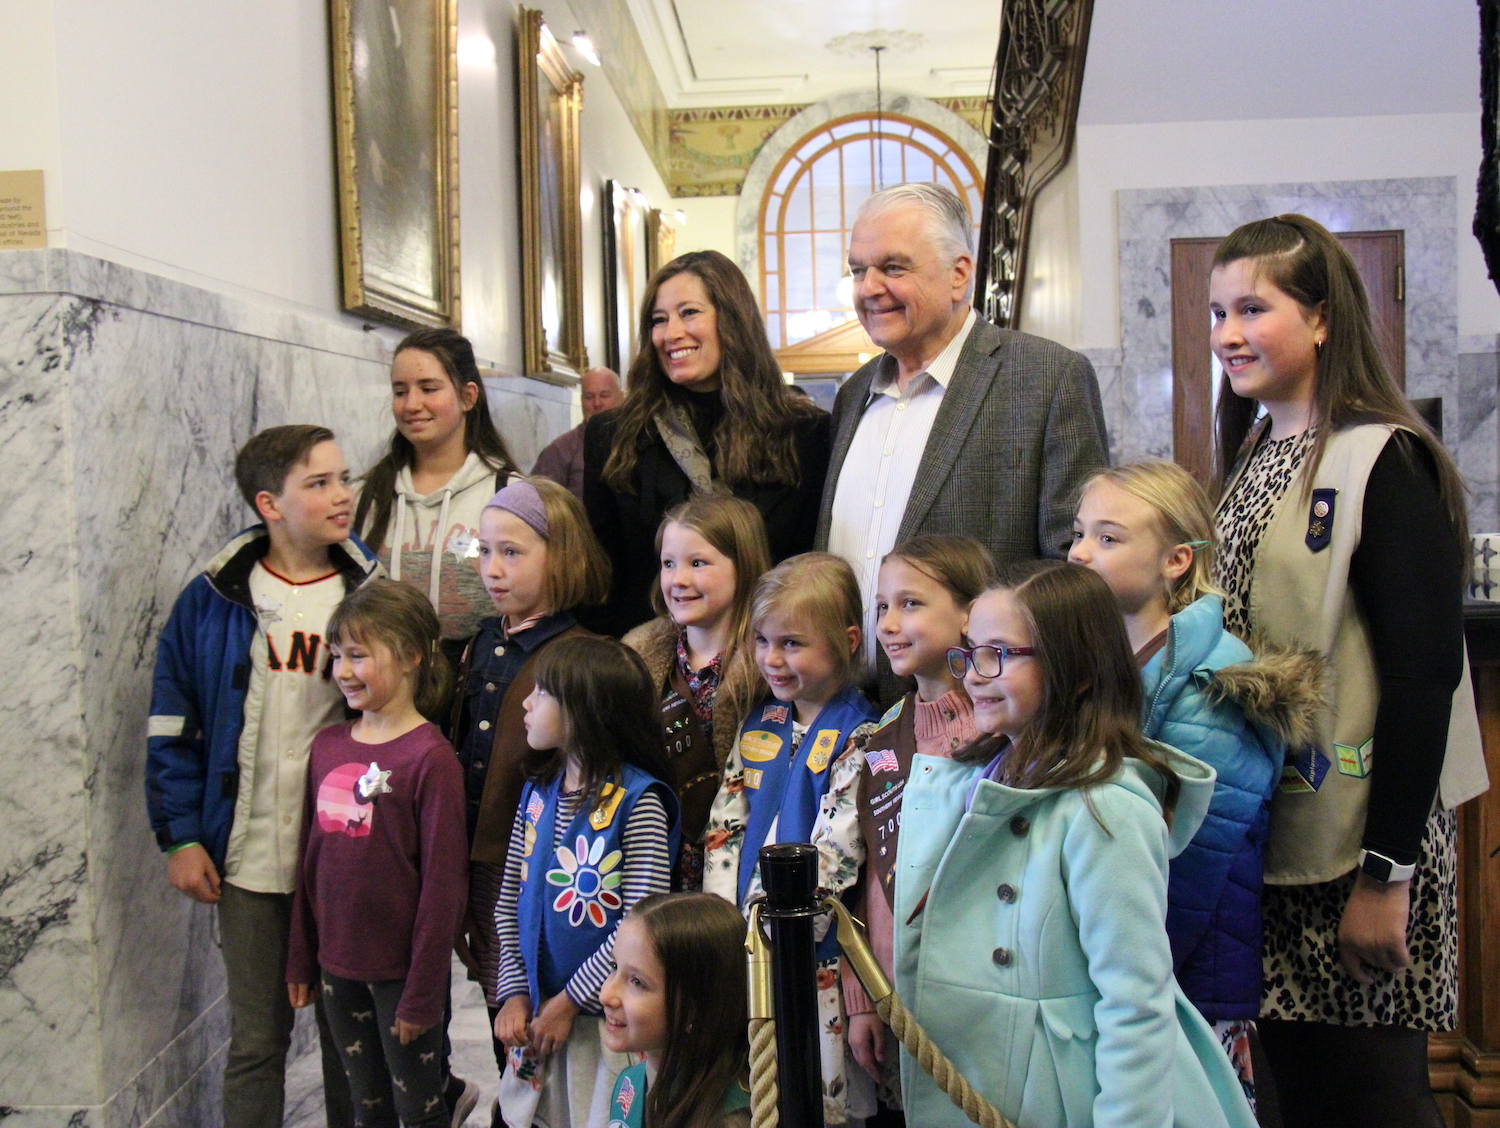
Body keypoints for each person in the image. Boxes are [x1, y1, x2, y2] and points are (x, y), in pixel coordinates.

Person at [1208, 214, 1487, 1128]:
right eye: (1217, 313)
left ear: (1323, 319)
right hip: (1276, 834)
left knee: (1368, 1099)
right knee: (1292, 1094)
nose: (1228, 334)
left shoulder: (1384, 457)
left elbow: (1422, 681)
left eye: (1254, 307)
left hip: (1363, 846)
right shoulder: (1253, 452)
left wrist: (1385, 878)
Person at [901, 561, 1258, 1128]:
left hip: (1064, 1100)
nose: (971, 674)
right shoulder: (979, 780)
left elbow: (1135, 1002)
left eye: (998, 653)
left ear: (1077, 669)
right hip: (984, 1085)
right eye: (968, 652)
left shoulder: (1105, 806)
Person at [1070, 461, 1323, 1109]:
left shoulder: (1214, 681)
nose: (1079, 552)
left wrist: (1118, 975)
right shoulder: (1105, 666)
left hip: (1186, 977)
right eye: (1078, 533)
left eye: (1108, 538)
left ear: (1176, 560)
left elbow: (1191, 866)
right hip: (1123, 967)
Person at [145, 425, 376, 1128]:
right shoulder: (214, 600)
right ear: (270, 504)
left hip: (341, 855)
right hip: (246, 856)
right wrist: (180, 836)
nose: (342, 496)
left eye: (345, 479)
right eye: (320, 484)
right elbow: (172, 727)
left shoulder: (369, 594)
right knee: (257, 1038)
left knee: (349, 1039)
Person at [814, 181, 1110, 705]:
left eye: (893, 267)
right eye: (858, 270)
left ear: (958, 274)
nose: (868, 288)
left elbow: (1071, 574)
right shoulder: (854, 394)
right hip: (848, 713)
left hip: (981, 717)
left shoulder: (1046, 378)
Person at [809, 534, 995, 1119]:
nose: (889, 623)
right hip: (895, 996)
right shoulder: (876, 740)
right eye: (882, 606)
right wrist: (861, 998)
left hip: (983, 992)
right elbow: (850, 879)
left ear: (970, 614)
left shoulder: (1006, 731)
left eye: (911, 604)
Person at [702, 552, 878, 1125]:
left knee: (818, 1103)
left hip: (812, 959)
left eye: (793, 644)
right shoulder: (760, 725)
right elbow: (725, 829)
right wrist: (725, 923)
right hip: (746, 952)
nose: (772, 660)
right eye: (762, 641)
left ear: (848, 640)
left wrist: (776, 931)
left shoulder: (863, 732)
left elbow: (838, 850)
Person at [286, 580, 468, 1128]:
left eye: (359, 655)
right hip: (337, 967)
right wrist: (300, 956)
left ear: (412, 655)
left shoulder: (430, 759)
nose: (342, 670)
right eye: (338, 654)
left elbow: (442, 890)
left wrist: (421, 994)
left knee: (418, 1108)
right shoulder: (328, 746)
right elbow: (309, 863)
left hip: (402, 975)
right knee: (366, 1107)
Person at [447, 477, 610, 1091]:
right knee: (498, 996)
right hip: (477, 851)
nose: (492, 568)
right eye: (484, 551)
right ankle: (516, 1100)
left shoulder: (576, 655)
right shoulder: (483, 643)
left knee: (529, 990)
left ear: (560, 555)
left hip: (537, 861)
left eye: (512, 552)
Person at [584, 250, 831, 636]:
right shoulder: (613, 435)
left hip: (770, 665)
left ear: (733, 320)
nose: (671, 333)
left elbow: (811, 568)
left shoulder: (804, 433)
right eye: (659, 320)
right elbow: (602, 576)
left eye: (690, 312)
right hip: (649, 667)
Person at [493, 637, 679, 1128]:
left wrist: (570, 1001)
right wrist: (513, 991)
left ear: (587, 711)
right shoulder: (536, 793)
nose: (527, 704)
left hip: (606, 1025)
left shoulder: (639, 803)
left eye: (542, 693)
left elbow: (639, 925)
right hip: (542, 1017)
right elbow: (509, 899)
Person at [623, 496, 772, 890]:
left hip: (739, 869)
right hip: (652, 867)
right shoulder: (635, 659)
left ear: (744, 565)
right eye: (668, 563)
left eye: (697, 563)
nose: (678, 580)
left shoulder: (771, 668)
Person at [354, 327, 519, 669]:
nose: (412, 405)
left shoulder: (511, 495)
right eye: (400, 391)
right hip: (384, 688)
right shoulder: (364, 497)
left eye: (428, 389)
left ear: (468, 397)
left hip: (479, 687)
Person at [600, 893, 752, 1128]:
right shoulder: (631, 1084)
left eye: (637, 982)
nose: (606, 995)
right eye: (614, 966)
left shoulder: (729, 1119)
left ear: (694, 1010)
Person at [532, 367, 623, 498]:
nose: (597, 403)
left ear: (622, 397)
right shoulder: (560, 450)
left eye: (604, 395)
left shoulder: (638, 441)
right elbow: (539, 503)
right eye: (589, 397)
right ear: (581, 400)